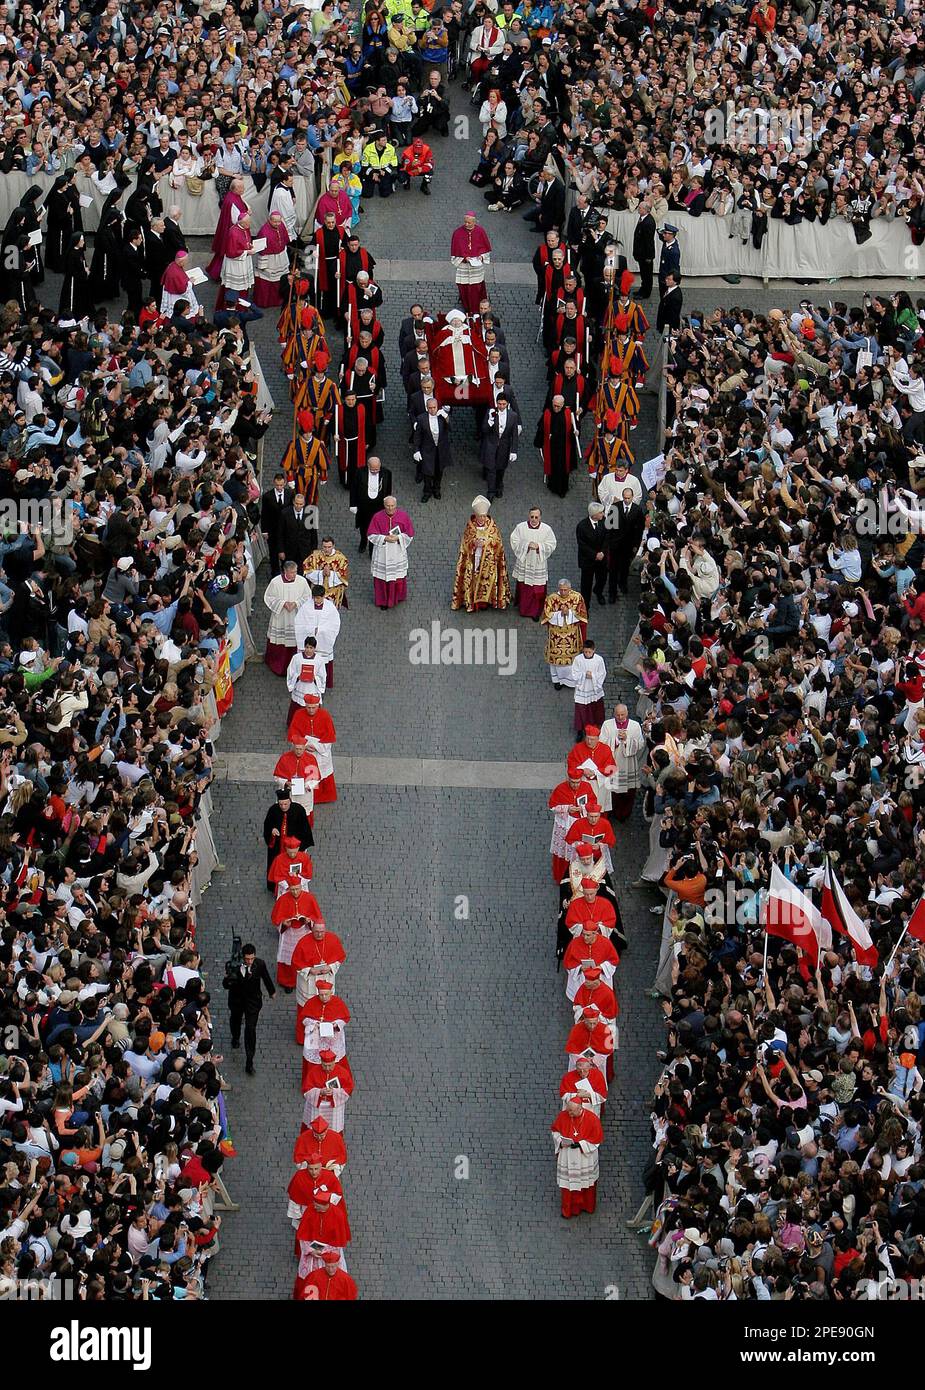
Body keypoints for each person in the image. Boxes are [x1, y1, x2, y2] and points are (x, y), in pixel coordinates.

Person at [450, 496, 512, 612]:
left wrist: (488, 543)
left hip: (489, 562)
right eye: (480, 516)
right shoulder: (470, 526)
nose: (482, 518)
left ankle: (487, 601)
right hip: (474, 559)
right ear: (476, 515)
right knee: (474, 578)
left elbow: (498, 542)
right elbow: (465, 543)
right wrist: (473, 543)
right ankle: (472, 602)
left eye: (484, 516)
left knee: (488, 580)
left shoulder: (492, 526)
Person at [223, 944, 276, 1076]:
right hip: (237, 1001)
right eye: (247, 959)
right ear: (242, 957)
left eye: (252, 959)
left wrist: (272, 991)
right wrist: (228, 977)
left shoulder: (260, 964)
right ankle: (235, 1037)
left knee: (250, 1029)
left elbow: (266, 978)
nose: (250, 962)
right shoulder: (232, 965)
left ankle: (249, 1061)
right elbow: (225, 985)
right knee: (235, 1020)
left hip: (253, 1002)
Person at [551, 1094, 604, 1217]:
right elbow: (555, 1130)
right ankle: (567, 1210)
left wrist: (581, 1144)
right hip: (567, 1153)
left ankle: (587, 1206)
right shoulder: (563, 1115)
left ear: (580, 1109)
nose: (568, 1113)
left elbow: (596, 1140)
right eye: (568, 1109)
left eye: (572, 1111)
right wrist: (560, 1141)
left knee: (587, 1185)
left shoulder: (592, 1119)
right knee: (567, 1186)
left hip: (584, 1156)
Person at [263, 560, 312, 676]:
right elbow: (269, 597)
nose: (294, 574)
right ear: (285, 571)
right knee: (280, 642)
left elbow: (307, 596)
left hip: (296, 616)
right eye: (291, 572)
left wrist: (296, 603)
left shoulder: (302, 581)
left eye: (295, 572)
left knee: (295, 640)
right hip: (281, 617)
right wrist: (283, 604)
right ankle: (277, 664)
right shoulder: (275, 582)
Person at [598, 704, 646, 822]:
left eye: (622, 714)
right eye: (617, 715)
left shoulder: (634, 726)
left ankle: (623, 813)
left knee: (627, 792)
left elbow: (640, 744)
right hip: (612, 761)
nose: (620, 717)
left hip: (628, 763)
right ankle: (610, 811)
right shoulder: (607, 724)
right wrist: (615, 740)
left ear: (627, 713)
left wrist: (627, 741)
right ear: (614, 714)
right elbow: (601, 742)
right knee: (610, 789)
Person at [509, 508, 557, 620]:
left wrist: (539, 546)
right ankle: (523, 608)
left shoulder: (546, 529)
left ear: (540, 517)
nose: (534, 519)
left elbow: (552, 544)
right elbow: (514, 540)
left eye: (536, 517)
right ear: (528, 516)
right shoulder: (521, 527)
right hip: (525, 562)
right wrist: (526, 545)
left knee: (537, 588)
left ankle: (535, 611)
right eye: (532, 517)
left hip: (538, 563)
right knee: (524, 587)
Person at [541, 579, 588, 689]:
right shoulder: (551, 599)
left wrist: (569, 613)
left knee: (572, 660)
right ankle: (557, 680)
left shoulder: (577, 597)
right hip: (556, 636)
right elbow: (546, 616)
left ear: (570, 589)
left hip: (572, 635)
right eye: (561, 590)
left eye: (565, 590)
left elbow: (583, 614)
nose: (563, 592)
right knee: (555, 659)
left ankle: (571, 681)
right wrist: (559, 614)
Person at [368, 497, 414, 608]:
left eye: (392, 506)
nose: (390, 508)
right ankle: (383, 601)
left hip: (397, 552)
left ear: (396, 505)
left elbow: (409, 534)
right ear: (384, 505)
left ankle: (397, 597)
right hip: (382, 552)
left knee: (397, 577)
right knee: (382, 579)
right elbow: (371, 535)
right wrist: (384, 538)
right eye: (388, 506)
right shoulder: (377, 517)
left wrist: (398, 537)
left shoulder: (403, 516)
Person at [263, 788, 313, 890]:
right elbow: (267, 825)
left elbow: (305, 829)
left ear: (290, 801)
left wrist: (300, 847)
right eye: (281, 804)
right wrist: (272, 830)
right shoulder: (273, 810)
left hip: (293, 847)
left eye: (285, 804)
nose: (283, 807)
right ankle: (275, 887)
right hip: (278, 846)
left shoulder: (299, 810)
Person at [294, 585, 342, 690]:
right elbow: (299, 623)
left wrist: (320, 630)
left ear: (323, 596)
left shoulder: (330, 608)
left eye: (318, 598)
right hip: (309, 640)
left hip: (323, 641)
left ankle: (321, 683)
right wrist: (311, 630)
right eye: (314, 597)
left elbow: (334, 625)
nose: (316, 600)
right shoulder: (306, 606)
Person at [535, 395, 580, 498]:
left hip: (564, 447)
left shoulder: (568, 414)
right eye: (554, 405)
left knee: (563, 469)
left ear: (563, 405)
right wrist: (540, 441)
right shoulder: (547, 413)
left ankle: (563, 489)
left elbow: (574, 428)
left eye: (558, 406)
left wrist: (576, 433)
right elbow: (541, 428)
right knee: (553, 467)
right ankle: (552, 486)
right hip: (551, 447)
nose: (556, 408)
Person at [479, 393, 520, 501]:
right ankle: (491, 491)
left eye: (503, 404)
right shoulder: (490, 413)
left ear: (507, 404)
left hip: (504, 447)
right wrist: (490, 422)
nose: (501, 406)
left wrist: (514, 451)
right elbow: (484, 430)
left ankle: (499, 486)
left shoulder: (513, 415)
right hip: (491, 445)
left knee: (501, 469)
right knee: (491, 469)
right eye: (499, 404)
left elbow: (514, 434)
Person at [350, 455, 393, 553]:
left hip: (379, 506)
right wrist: (353, 504)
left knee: (376, 527)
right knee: (363, 526)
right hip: (363, 505)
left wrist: (387, 505)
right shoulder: (360, 472)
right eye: (372, 469)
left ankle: (372, 547)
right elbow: (354, 489)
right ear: (368, 466)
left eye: (377, 469)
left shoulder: (387, 473)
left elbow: (388, 490)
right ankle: (363, 541)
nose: (374, 471)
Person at [412, 397, 451, 503]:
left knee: (439, 471)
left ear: (437, 407)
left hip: (441, 450)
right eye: (430, 408)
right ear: (426, 408)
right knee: (427, 473)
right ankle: (427, 492)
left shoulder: (441, 417)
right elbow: (417, 436)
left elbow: (450, 428)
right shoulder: (421, 418)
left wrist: (446, 417)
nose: (432, 410)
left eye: (434, 407)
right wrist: (416, 450)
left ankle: (437, 490)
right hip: (427, 450)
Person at [450, 213, 492, 313]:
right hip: (463, 265)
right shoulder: (457, 233)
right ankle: (466, 305)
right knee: (463, 286)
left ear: (474, 222)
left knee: (477, 287)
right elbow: (455, 250)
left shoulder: (480, 231)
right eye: (465, 222)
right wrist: (464, 258)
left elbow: (486, 248)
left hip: (476, 266)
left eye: (469, 222)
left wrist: (481, 257)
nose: (466, 224)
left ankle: (480, 306)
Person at [253, 210, 291, 307]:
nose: (277, 224)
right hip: (269, 259)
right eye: (275, 221)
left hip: (280, 257)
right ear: (269, 220)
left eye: (279, 221)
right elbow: (261, 249)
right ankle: (265, 301)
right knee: (266, 280)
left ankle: (279, 299)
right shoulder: (264, 231)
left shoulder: (281, 225)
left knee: (280, 279)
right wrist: (263, 264)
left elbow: (285, 239)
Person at [576, 502, 609, 608]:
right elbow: (582, 545)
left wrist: (603, 552)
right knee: (586, 584)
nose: (603, 514)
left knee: (602, 578)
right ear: (594, 515)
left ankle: (598, 592)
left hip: (602, 558)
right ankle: (585, 605)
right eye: (600, 513)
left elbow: (607, 538)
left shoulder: (604, 521)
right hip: (588, 560)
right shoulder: (582, 526)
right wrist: (595, 555)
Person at [571, 639, 607, 737]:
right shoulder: (578, 659)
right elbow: (574, 673)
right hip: (582, 689)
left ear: (594, 650)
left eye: (589, 652)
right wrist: (584, 675)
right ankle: (580, 730)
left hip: (594, 688)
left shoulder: (599, 660)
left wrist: (593, 676)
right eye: (585, 652)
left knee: (595, 709)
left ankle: (595, 727)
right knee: (581, 710)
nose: (587, 654)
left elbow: (602, 673)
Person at [305, 538, 350, 609]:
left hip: (333, 592)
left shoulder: (341, 558)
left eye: (329, 547)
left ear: (333, 546)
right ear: (322, 546)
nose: (327, 549)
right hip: (317, 591)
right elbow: (307, 571)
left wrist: (331, 574)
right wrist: (321, 573)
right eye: (324, 547)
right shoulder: (315, 556)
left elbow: (344, 577)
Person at [657, 223, 681, 297]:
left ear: (671, 235)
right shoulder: (667, 241)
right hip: (662, 276)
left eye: (665, 233)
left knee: (665, 297)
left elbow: (674, 269)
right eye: (664, 233)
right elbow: (660, 234)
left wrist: (669, 281)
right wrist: (659, 230)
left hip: (666, 279)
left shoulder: (674, 252)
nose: (663, 235)